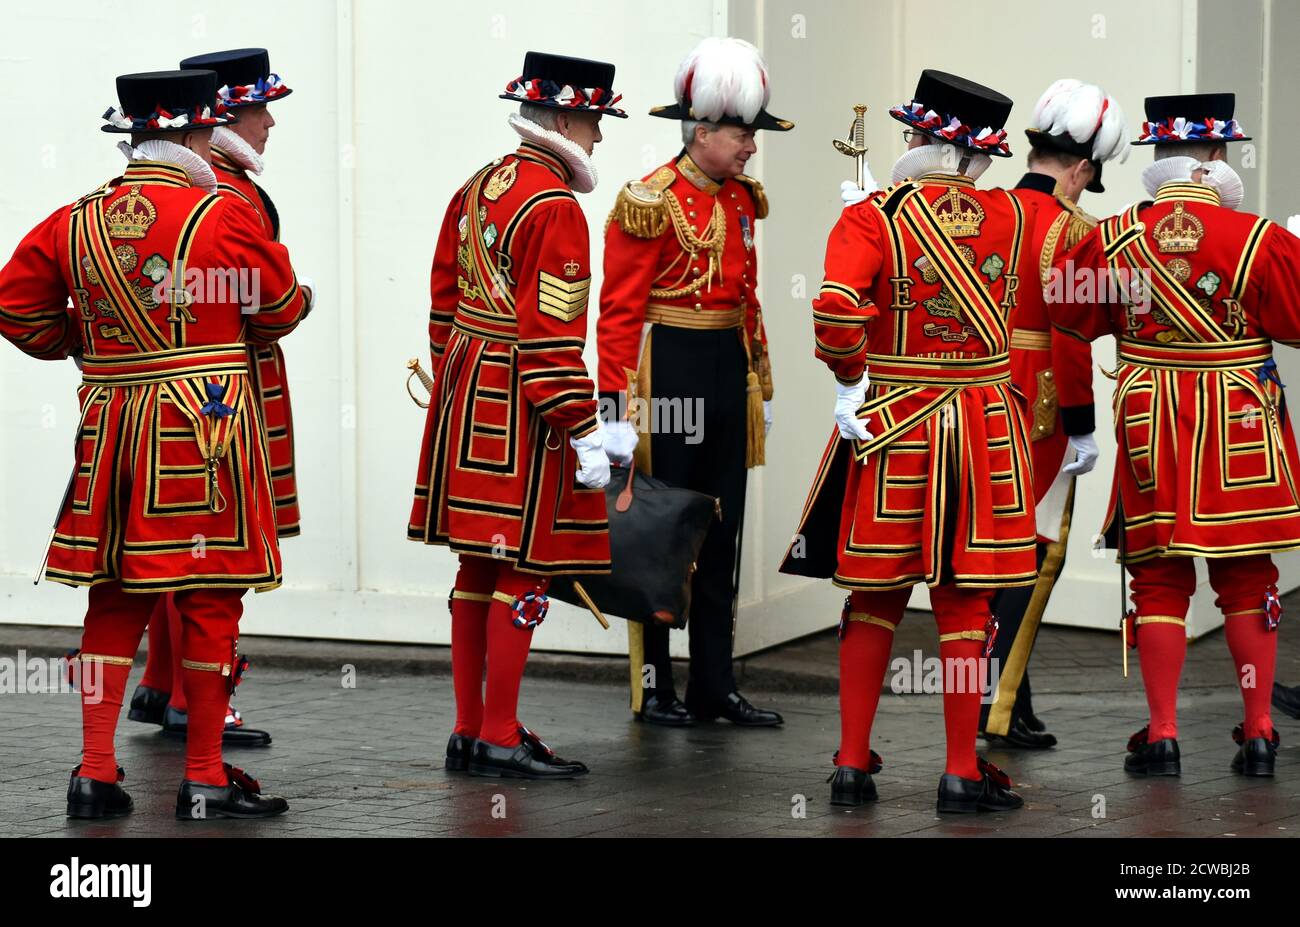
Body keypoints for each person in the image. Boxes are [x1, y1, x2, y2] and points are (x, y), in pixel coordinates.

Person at [0, 69, 308, 818]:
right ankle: (204, 773)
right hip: (203, 427)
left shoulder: (72, 220)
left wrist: (84, 343)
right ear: (197, 134)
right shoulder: (219, 214)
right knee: (208, 600)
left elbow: (14, 307)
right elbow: (279, 308)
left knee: (113, 594)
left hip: (111, 430)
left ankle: (96, 772)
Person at [783, 69, 1036, 813]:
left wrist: (850, 380)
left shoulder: (873, 215)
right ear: (972, 154)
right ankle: (961, 769)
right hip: (985, 423)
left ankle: (853, 763)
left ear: (919, 138)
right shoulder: (1013, 217)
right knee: (965, 603)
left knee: (874, 595)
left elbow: (834, 308)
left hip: (896, 423)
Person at [1050, 92, 1300, 778]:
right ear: (1217, 157)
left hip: (1150, 417)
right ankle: (1258, 728)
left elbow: (1068, 315)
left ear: (1159, 158)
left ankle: (1162, 732)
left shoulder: (1113, 235)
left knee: (1157, 579)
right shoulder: (1260, 237)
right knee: (1248, 576)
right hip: (1238, 417)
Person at [407, 51, 618, 779]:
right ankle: (498, 731)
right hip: (524, 399)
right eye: (592, 119)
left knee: (476, 562)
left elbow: (441, 298)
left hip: (470, 385)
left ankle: (469, 729)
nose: (598, 136)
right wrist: (583, 427)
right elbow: (554, 339)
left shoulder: (479, 183)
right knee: (528, 564)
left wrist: (454, 376)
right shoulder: (555, 205)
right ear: (563, 117)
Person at [597, 37, 788, 728]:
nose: (750, 147)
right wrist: (613, 413)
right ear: (702, 131)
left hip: (723, 371)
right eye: (742, 133)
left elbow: (749, 295)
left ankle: (714, 683)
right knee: (662, 526)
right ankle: (655, 687)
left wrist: (757, 376)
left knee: (720, 526)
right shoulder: (649, 199)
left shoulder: (740, 200)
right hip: (667, 370)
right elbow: (617, 313)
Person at [128, 47, 303, 747]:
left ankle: (163, 685)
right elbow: (264, 301)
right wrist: (299, 299)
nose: (268, 123)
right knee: (209, 546)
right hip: (222, 384)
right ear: (221, 117)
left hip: (189, 382)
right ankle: (196, 703)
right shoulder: (224, 194)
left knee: (181, 539)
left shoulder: (211, 184)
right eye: (260, 107)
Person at [978, 79, 1127, 749]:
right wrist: (1082, 422)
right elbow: (1069, 331)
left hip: (980, 389)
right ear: (1083, 168)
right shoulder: (1074, 229)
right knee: (1035, 551)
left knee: (986, 547)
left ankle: (1012, 692)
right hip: (1041, 399)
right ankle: (999, 703)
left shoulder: (984, 210)